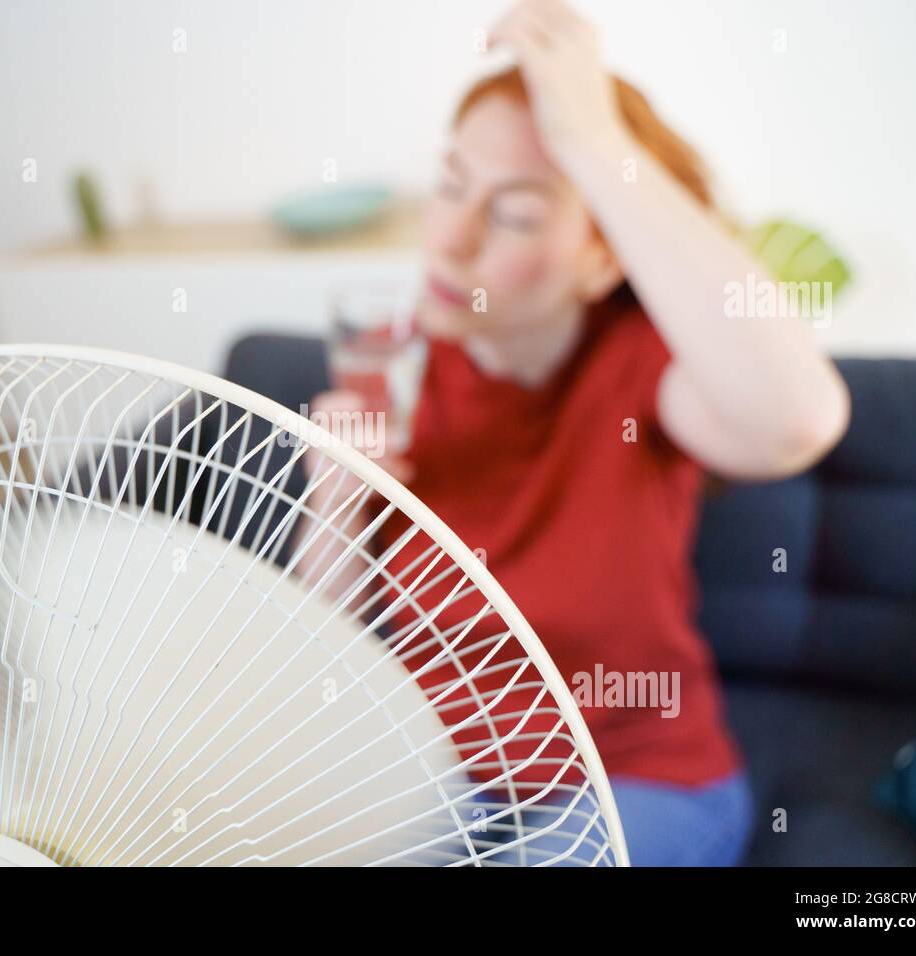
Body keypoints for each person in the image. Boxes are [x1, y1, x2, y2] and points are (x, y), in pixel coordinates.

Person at [291, 0, 849, 866]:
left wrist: (590, 136)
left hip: (631, 780)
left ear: (602, 257)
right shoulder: (392, 369)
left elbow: (797, 419)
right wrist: (333, 500)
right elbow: (305, 666)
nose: (448, 240)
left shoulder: (645, 374)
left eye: (513, 213)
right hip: (431, 773)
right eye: (448, 185)